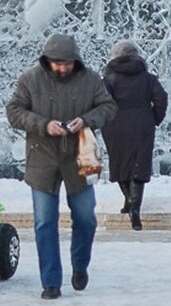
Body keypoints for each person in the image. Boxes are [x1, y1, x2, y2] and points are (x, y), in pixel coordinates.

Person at [6, 34, 117, 300]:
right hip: (42, 157)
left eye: (67, 63)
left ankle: (80, 266)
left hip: (80, 156)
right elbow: (13, 111)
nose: (62, 68)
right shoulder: (30, 79)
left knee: (86, 218)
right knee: (45, 222)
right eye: (57, 63)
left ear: (75, 61)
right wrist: (43, 124)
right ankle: (51, 282)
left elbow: (109, 107)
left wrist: (87, 119)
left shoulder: (90, 79)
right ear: (47, 61)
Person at [101, 41, 168, 231]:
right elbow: (161, 98)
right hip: (142, 125)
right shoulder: (149, 78)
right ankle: (134, 208)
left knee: (120, 163)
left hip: (115, 126)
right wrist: (154, 118)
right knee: (139, 166)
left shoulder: (108, 79)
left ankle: (129, 200)